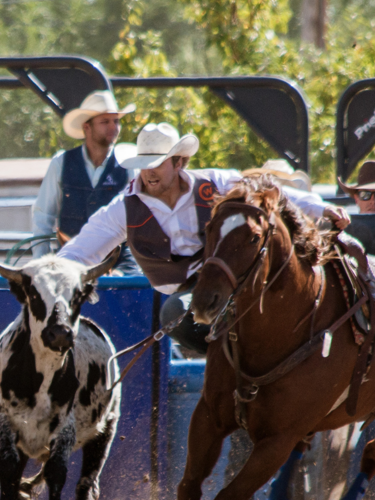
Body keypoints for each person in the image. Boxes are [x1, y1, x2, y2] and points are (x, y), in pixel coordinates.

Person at [57, 123, 350, 355]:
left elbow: (273, 191)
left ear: (179, 162)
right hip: (192, 292)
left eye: (157, 163)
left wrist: (321, 207)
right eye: (143, 163)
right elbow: (83, 250)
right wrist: (51, 277)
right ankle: (240, 361)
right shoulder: (124, 208)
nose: (149, 171)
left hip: (235, 279)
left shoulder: (215, 183)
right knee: (176, 313)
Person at [31, 90, 138, 273]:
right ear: (86, 127)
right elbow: (43, 216)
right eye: (105, 122)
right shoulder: (61, 163)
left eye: (116, 121)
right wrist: (44, 268)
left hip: (120, 264)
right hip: (71, 262)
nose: (113, 127)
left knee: (131, 289)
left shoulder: (128, 165)